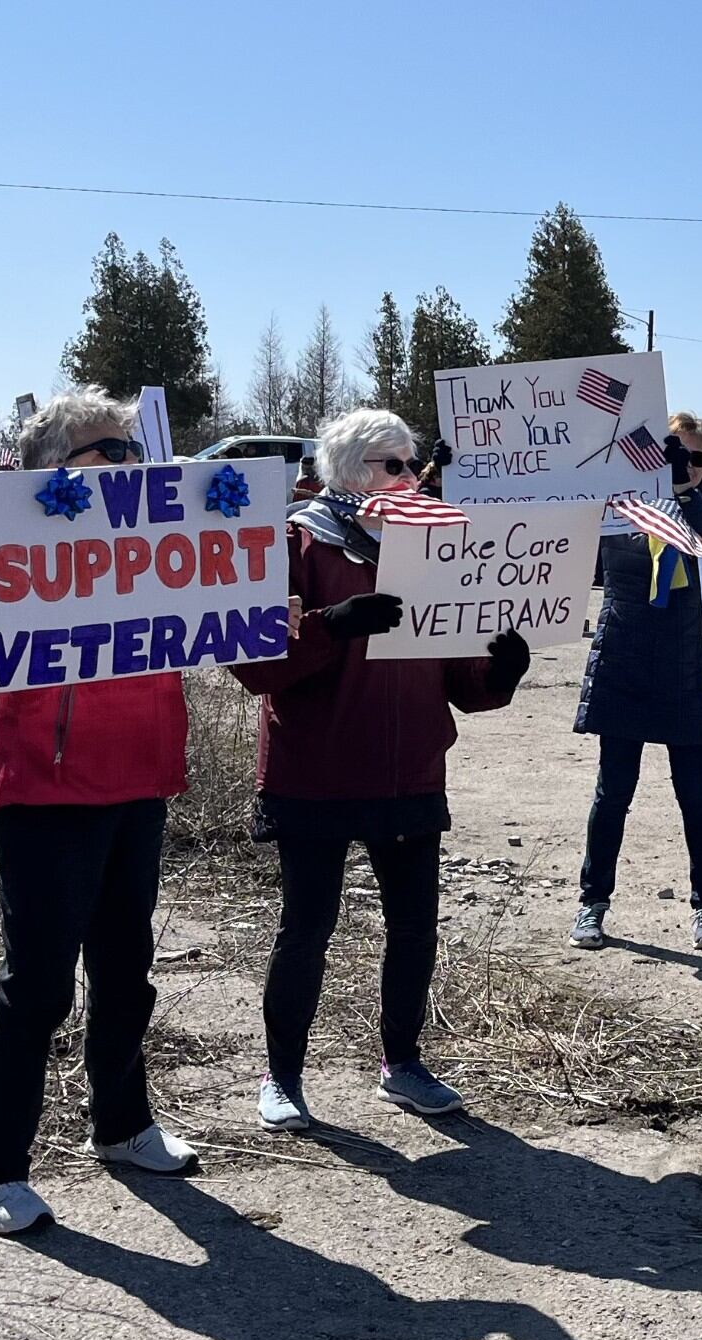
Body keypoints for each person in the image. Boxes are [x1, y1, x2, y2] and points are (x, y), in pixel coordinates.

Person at [0, 385, 200, 1235]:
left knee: (126, 974)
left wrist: (270, 615)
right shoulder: (15, 538)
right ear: (53, 468)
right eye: (103, 450)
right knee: (38, 989)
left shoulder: (165, 534)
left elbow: (220, 607)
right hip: (47, 795)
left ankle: (120, 1126)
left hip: (139, 786)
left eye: (129, 448)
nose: (123, 462)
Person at [231, 408, 530, 1134]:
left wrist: (503, 673)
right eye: (392, 465)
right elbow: (257, 665)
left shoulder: (437, 548)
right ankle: (283, 1078)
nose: (411, 477)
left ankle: (402, 1063)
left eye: (412, 464)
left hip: (410, 771)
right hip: (317, 771)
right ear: (347, 473)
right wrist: (336, 625)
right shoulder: (297, 542)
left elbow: (461, 678)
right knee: (307, 928)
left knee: (415, 926)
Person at [569, 413, 702, 952]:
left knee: (696, 794)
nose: (683, 464)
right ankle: (592, 903)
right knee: (611, 792)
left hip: (688, 665)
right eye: (673, 454)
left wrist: (687, 496)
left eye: (696, 457)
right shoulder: (618, 509)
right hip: (625, 657)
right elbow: (549, 517)